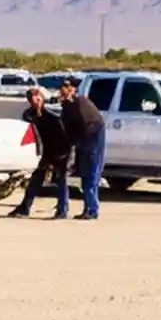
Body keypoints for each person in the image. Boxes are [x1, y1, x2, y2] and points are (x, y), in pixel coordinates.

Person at [9, 87, 71, 219]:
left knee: (61, 180)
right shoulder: (29, 115)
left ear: (42, 98)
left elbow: (62, 136)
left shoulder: (52, 114)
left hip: (59, 151)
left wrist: (60, 156)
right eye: (32, 99)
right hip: (42, 153)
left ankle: (62, 210)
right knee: (36, 181)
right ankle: (24, 208)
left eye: (37, 98)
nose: (35, 101)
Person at [58, 76, 105, 220]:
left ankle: (92, 210)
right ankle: (88, 208)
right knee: (86, 179)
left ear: (73, 89)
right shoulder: (67, 106)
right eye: (63, 88)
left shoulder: (81, 103)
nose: (64, 90)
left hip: (92, 144)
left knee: (91, 178)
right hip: (83, 145)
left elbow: (91, 126)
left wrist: (78, 142)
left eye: (68, 87)